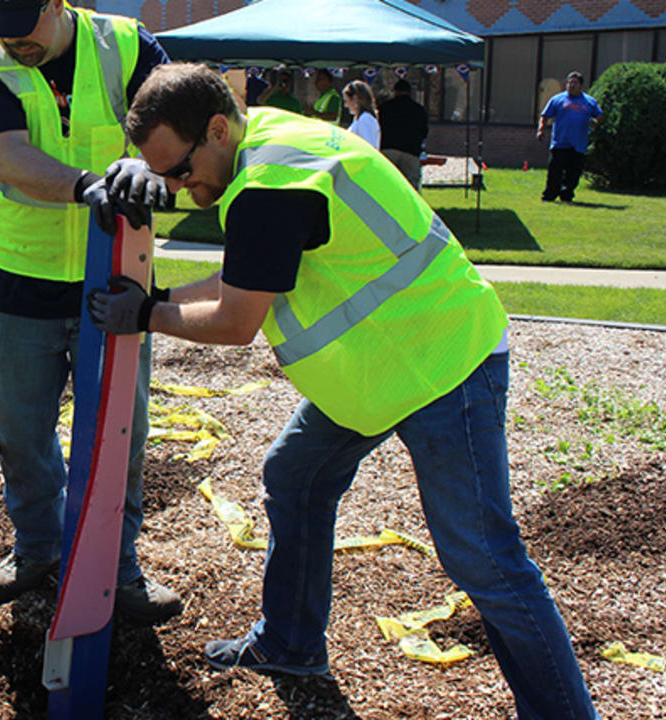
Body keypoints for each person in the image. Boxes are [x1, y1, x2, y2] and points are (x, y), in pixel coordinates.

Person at [90, 63, 602, 720]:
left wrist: (147, 315)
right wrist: (157, 298)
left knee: (485, 562)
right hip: (383, 367)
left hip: (444, 363)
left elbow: (236, 319)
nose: (177, 187)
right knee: (296, 477)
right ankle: (291, 643)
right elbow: (250, 274)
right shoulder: (265, 144)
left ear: (218, 128)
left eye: (181, 170)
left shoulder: (273, 183)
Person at [0, 0, 181, 623]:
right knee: (21, 432)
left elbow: (180, 118)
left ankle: (119, 568)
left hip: (116, 276)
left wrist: (148, 162)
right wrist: (88, 184)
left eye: (22, 29)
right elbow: (5, 155)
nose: (10, 44)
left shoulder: (125, 46)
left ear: (56, 5)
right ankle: (37, 547)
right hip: (21, 279)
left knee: (121, 435)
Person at [537, 70, 602, 203]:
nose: (571, 85)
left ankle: (566, 196)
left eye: (575, 83)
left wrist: (595, 123)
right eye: (569, 83)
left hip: (579, 144)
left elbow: (599, 116)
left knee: (573, 174)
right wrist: (540, 129)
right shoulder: (558, 99)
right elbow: (544, 116)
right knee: (555, 172)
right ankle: (549, 196)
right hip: (560, 142)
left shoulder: (589, 102)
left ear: (581, 85)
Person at [379, 78, 428, 191]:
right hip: (411, 151)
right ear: (410, 92)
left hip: (388, 149)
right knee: (411, 185)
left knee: (388, 183)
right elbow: (424, 131)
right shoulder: (419, 109)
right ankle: (411, 208)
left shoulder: (385, 108)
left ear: (395, 91)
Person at [342, 79, 380, 149]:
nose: (345, 105)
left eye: (346, 101)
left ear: (355, 99)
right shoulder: (359, 119)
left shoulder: (366, 119)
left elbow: (369, 147)